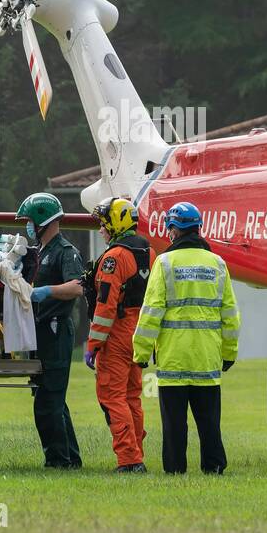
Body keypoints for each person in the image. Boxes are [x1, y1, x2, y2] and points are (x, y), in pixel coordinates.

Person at [134, 201, 240, 474]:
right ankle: (214, 467)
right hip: (206, 359)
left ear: (174, 230)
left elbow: (152, 311)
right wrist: (229, 353)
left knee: (174, 425)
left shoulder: (165, 263)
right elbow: (230, 314)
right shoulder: (217, 263)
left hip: (174, 361)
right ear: (197, 228)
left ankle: (175, 469)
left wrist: (141, 353)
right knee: (209, 423)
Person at [16, 191, 87, 468]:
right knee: (52, 397)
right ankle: (71, 457)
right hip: (40, 331)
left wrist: (45, 292)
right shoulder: (41, 251)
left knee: (48, 400)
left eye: (29, 221)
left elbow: (78, 286)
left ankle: (58, 460)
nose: (27, 225)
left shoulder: (65, 252)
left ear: (42, 220)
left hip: (55, 331)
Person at [85, 196, 151, 473]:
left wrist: (93, 344)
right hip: (138, 332)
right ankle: (136, 453)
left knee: (113, 397)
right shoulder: (147, 252)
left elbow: (106, 306)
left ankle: (129, 459)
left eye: (103, 223)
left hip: (117, 333)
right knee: (132, 396)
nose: (101, 229)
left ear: (115, 223)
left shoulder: (114, 257)